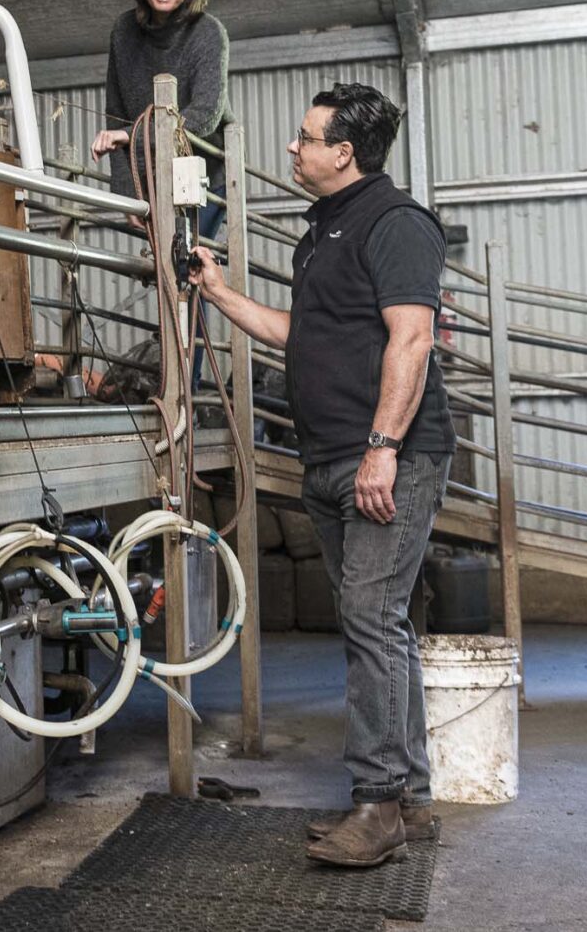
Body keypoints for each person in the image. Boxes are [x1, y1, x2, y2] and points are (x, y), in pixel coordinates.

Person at [189, 82, 453, 870]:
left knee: (371, 621)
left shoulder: (397, 224)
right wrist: (219, 292)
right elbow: (299, 333)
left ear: (343, 152)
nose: (294, 150)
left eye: (306, 139)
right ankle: (408, 798)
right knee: (385, 623)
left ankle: (376, 806)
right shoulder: (321, 233)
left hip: (386, 459)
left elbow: (411, 340)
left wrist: (382, 446)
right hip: (330, 455)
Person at [90, 0, 229, 231]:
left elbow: (204, 116)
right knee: (162, 267)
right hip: (153, 176)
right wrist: (128, 196)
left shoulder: (208, 32)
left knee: (186, 263)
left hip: (203, 171)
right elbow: (116, 114)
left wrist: (129, 136)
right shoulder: (124, 32)